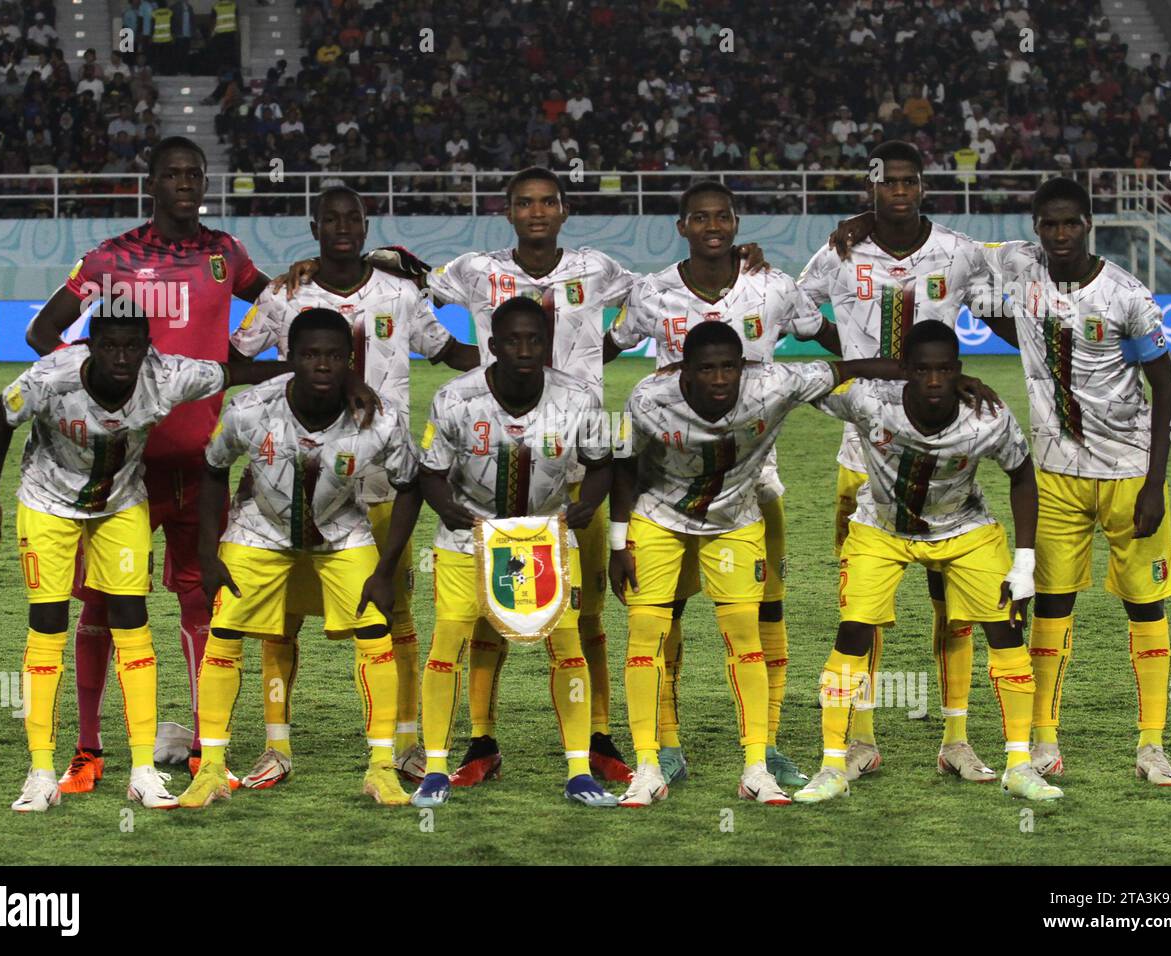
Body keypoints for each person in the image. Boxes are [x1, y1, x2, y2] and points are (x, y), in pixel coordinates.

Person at [278, 168, 772, 785]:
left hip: (576, 463)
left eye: (547, 202)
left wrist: (740, 256)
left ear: (564, 210)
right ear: (507, 211)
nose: (536, 213)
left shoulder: (599, 269)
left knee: (585, 616)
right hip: (494, 453)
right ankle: (481, 741)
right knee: (488, 615)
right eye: (524, 203)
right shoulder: (473, 270)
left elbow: (673, 283)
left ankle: (596, 739)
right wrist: (310, 265)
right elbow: (400, 277)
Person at [26, 137, 278, 795]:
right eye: (173, 174)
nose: (186, 183)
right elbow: (41, 334)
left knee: (201, 597)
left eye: (195, 173)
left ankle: (203, 746)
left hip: (203, 465)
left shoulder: (227, 254)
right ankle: (88, 752)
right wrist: (91, 390)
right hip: (117, 471)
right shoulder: (111, 258)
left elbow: (279, 304)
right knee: (102, 609)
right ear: (152, 183)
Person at [0, 308, 278, 812]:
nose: (122, 357)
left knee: (132, 622)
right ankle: (41, 771)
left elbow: (238, 371)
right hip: (47, 503)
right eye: (110, 346)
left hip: (119, 505)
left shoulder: (168, 375)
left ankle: (143, 770)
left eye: (132, 347)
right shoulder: (51, 376)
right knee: (47, 625)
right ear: (89, 346)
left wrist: (315, 369)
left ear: (147, 348)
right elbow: (2, 414)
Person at [226, 187, 477, 789]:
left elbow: (448, 351)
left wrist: (524, 360)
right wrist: (288, 375)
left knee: (393, 612)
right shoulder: (285, 294)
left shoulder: (402, 291)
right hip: (295, 478)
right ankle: (277, 747)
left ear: (368, 226)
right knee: (280, 618)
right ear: (313, 226)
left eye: (353, 219)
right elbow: (234, 362)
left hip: (385, 478)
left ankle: (406, 743)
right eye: (331, 219)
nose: (343, 228)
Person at [609, 322, 909, 805]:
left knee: (745, 637)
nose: (721, 378)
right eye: (707, 368)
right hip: (659, 519)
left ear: (744, 366)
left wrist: (936, 375)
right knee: (646, 636)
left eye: (730, 366)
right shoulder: (648, 397)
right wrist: (618, 542)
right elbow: (623, 465)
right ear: (683, 370)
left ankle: (756, 766)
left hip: (735, 520)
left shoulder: (773, 384)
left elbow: (848, 368)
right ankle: (646, 766)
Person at [603, 180, 838, 789]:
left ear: (737, 223)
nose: (713, 226)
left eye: (723, 217)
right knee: (666, 611)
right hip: (669, 476)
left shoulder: (774, 285)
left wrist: (909, 366)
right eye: (699, 218)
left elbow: (828, 340)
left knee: (765, 609)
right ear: (681, 225)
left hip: (756, 475)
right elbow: (602, 346)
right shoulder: (651, 292)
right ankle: (668, 744)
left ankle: (767, 744)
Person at [805, 140, 1008, 784]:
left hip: (945, 450)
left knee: (953, 600)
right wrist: (858, 368)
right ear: (871, 187)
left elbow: (1005, 315)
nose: (898, 190)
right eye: (886, 181)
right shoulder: (838, 252)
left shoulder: (959, 251)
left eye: (908, 180)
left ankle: (956, 738)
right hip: (862, 452)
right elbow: (798, 313)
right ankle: (860, 739)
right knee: (864, 606)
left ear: (923, 185)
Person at [968, 178, 1171, 786]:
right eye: (1049, 224)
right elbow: (945, 248)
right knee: (1052, 605)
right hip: (1057, 475)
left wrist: (1154, 484)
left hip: (1129, 472)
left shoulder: (1127, 295)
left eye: (1071, 224)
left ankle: (1151, 745)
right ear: (1036, 226)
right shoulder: (1018, 263)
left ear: (1089, 225)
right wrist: (855, 228)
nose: (1060, 235)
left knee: (1145, 606)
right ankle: (1044, 742)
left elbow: (1164, 385)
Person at [794, 321, 1056, 803]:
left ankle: (1019, 764)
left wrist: (1024, 562)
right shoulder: (870, 400)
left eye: (944, 370)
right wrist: (872, 367)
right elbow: (807, 379)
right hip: (882, 530)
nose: (934, 380)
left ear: (958, 372)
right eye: (923, 370)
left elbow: (1022, 475)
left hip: (964, 528)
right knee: (853, 630)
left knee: (1005, 631)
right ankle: (832, 766)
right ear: (905, 371)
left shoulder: (987, 417)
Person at [179, 308, 418, 808]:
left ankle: (381, 769)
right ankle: (214, 771)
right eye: (310, 355)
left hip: (341, 531)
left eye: (334, 355)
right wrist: (208, 549)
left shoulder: (379, 419)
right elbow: (211, 465)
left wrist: (385, 565)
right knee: (224, 636)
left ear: (349, 361)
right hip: (257, 530)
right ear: (289, 358)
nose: (322, 365)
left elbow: (410, 485)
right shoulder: (251, 409)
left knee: (377, 635)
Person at [410, 296, 619, 809]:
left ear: (548, 345)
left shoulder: (578, 399)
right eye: (513, 340)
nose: (525, 349)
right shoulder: (455, 399)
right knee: (449, 643)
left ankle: (577, 770)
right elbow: (430, 473)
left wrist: (588, 504)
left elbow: (601, 462)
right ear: (493, 345)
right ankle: (435, 768)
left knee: (566, 646)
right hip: (468, 541)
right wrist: (448, 510)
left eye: (535, 339)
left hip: (548, 537)